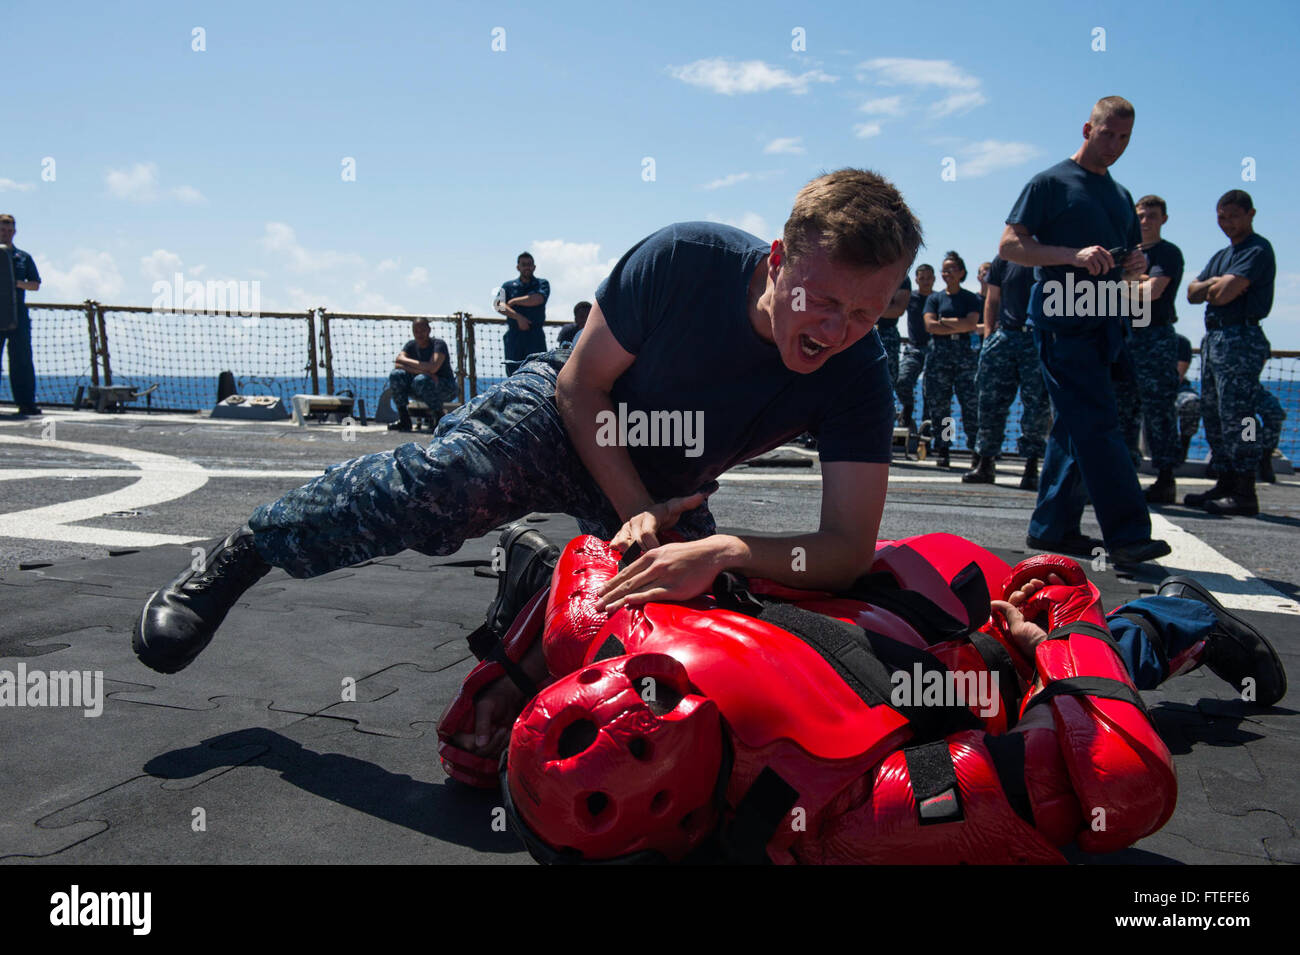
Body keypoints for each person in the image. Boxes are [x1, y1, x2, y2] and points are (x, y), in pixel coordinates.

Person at [133, 164, 922, 767]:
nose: (839, 329)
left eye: (867, 311)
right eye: (822, 301)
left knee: (697, 633)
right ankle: (248, 548)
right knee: (445, 488)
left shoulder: (858, 372)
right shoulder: (686, 260)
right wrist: (633, 507)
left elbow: (848, 546)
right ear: (779, 259)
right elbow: (585, 383)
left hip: (671, 487)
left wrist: (720, 549)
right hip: (566, 411)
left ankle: (524, 635)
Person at [449, 528, 1284, 864]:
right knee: (1041, 662)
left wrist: (1061, 629)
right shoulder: (602, 631)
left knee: (1053, 657)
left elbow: (1122, 781)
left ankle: (1155, 619)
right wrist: (1058, 636)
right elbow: (1119, 780)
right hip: (929, 611)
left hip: (919, 598)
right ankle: (1171, 615)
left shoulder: (840, 818)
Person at [1000, 95, 1169, 565]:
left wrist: (1137, 263)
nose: (1115, 144)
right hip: (1062, 320)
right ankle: (1128, 534)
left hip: (1107, 321)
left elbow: (1129, 269)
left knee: (1075, 424)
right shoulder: (1050, 183)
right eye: (1107, 133)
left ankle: (1051, 527)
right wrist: (1070, 255)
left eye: (1124, 138)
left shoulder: (1119, 196)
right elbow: (1011, 245)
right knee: (1097, 422)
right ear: (1086, 129)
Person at [1184, 190, 1276, 516]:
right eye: (1221, 217)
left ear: (1251, 214)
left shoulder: (1257, 249)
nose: (1227, 223)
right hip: (1215, 340)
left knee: (1241, 415)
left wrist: (1218, 286)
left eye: (1233, 216)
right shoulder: (1223, 255)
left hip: (1241, 337)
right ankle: (1224, 481)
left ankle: (1245, 489)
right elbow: (1192, 293)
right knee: (1214, 413)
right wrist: (1217, 283)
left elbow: (1223, 295)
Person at [1113, 195, 1185, 504]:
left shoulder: (1168, 253)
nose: (1145, 221)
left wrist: (1131, 284)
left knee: (1159, 410)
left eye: (1152, 216)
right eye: (1140, 216)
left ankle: (1165, 478)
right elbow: (1108, 291)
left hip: (1156, 338)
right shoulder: (1127, 255)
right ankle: (1124, 477)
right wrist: (1135, 281)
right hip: (1126, 337)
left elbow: (1152, 293)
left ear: (1164, 219)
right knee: (1123, 410)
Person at [964, 254, 1049, 489]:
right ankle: (986, 462)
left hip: (1036, 336)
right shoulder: (1004, 259)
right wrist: (990, 336)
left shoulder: (1050, 252)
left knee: (1036, 407)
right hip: (1005, 336)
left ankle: (1031, 466)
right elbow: (992, 299)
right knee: (990, 403)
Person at [922, 251, 980, 468]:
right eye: (944, 269)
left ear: (962, 272)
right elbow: (930, 325)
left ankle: (975, 450)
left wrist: (945, 322)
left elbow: (971, 325)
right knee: (941, 406)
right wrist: (958, 323)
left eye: (952, 269)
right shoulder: (934, 298)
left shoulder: (970, 298)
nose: (947, 273)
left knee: (969, 404)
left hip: (965, 356)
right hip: (939, 355)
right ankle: (944, 448)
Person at [0, 214, 42, 416]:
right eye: (2, 229)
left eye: (9, 230)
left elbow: (35, 284)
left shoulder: (23, 257)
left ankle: (26, 402)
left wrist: (14, 283)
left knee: (22, 360)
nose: (5, 233)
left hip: (17, 315)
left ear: (14, 232)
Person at [386, 318, 457, 432]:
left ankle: (439, 419)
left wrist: (410, 365)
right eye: (416, 331)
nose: (419, 334)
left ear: (429, 330)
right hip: (419, 387)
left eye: (422, 330)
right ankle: (404, 419)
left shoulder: (438, 345)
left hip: (445, 388)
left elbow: (433, 368)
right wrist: (423, 370)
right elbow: (398, 362)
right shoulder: (410, 345)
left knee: (421, 380)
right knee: (396, 375)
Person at [496, 252, 550, 376]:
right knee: (513, 372)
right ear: (518, 267)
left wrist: (515, 301)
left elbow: (538, 299)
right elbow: (498, 305)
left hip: (535, 336)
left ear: (534, 267)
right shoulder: (508, 286)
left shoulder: (542, 284)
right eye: (524, 264)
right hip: (514, 336)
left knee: (538, 372)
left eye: (529, 264)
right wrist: (518, 317)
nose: (527, 267)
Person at [896, 263, 935, 432]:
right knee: (902, 381)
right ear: (917, 280)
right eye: (922, 278)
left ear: (934, 279)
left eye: (928, 277)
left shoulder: (938, 299)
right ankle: (908, 408)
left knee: (931, 391)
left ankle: (925, 437)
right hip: (914, 349)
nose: (925, 281)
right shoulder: (910, 297)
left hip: (935, 350)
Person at [875, 276, 911, 416]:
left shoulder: (900, 276)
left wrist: (863, 308)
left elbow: (897, 310)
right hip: (858, 333)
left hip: (887, 336)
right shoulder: (861, 269)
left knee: (887, 384)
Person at [1174, 332, 1201, 464]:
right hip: (1136, 386)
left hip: (1175, 388)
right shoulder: (1133, 337)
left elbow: (1178, 375)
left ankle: (1183, 448)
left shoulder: (1180, 341)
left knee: (1192, 403)